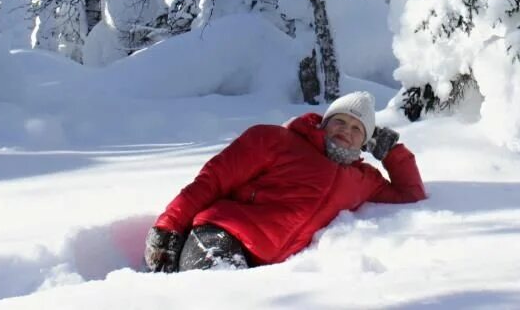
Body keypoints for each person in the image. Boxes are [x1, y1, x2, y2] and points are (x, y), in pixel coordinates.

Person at [144, 91, 426, 272]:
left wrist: (390, 151)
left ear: (365, 142)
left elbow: (410, 192)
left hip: (268, 267)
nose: (346, 131)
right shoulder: (274, 140)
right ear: (324, 122)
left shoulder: (362, 179)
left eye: (357, 129)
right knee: (222, 295)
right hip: (222, 235)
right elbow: (211, 180)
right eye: (340, 121)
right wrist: (168, 226)